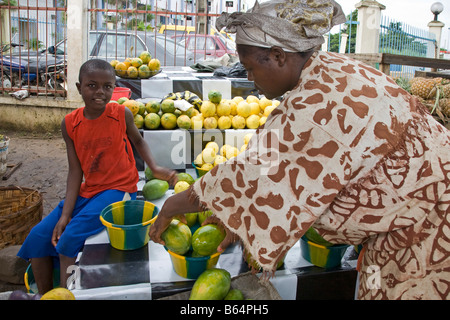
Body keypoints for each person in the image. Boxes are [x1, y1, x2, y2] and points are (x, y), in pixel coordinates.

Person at [149, 0, 450, 300]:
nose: (250, 79)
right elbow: (268, 163)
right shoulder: (332, 68)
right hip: (422, 211)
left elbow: (249, 172)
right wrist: (232, 210)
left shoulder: (310, 107)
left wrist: (173, 205)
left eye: (251, 67)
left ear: (278, 56)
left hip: (426, 232)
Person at [18, 59, 178, 294]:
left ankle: (64, 295)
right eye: (92, 85)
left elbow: (138, 141)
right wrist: (65, 214)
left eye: (107, 86)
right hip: (89, 190)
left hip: (120, 190)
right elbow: (75, 171)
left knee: (68, 239)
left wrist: (154, 167)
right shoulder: (70, 124)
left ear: (114, 88)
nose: (100, 92)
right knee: (38, 236)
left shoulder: (121, 114)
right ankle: (44, 295)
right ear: (78, 87)